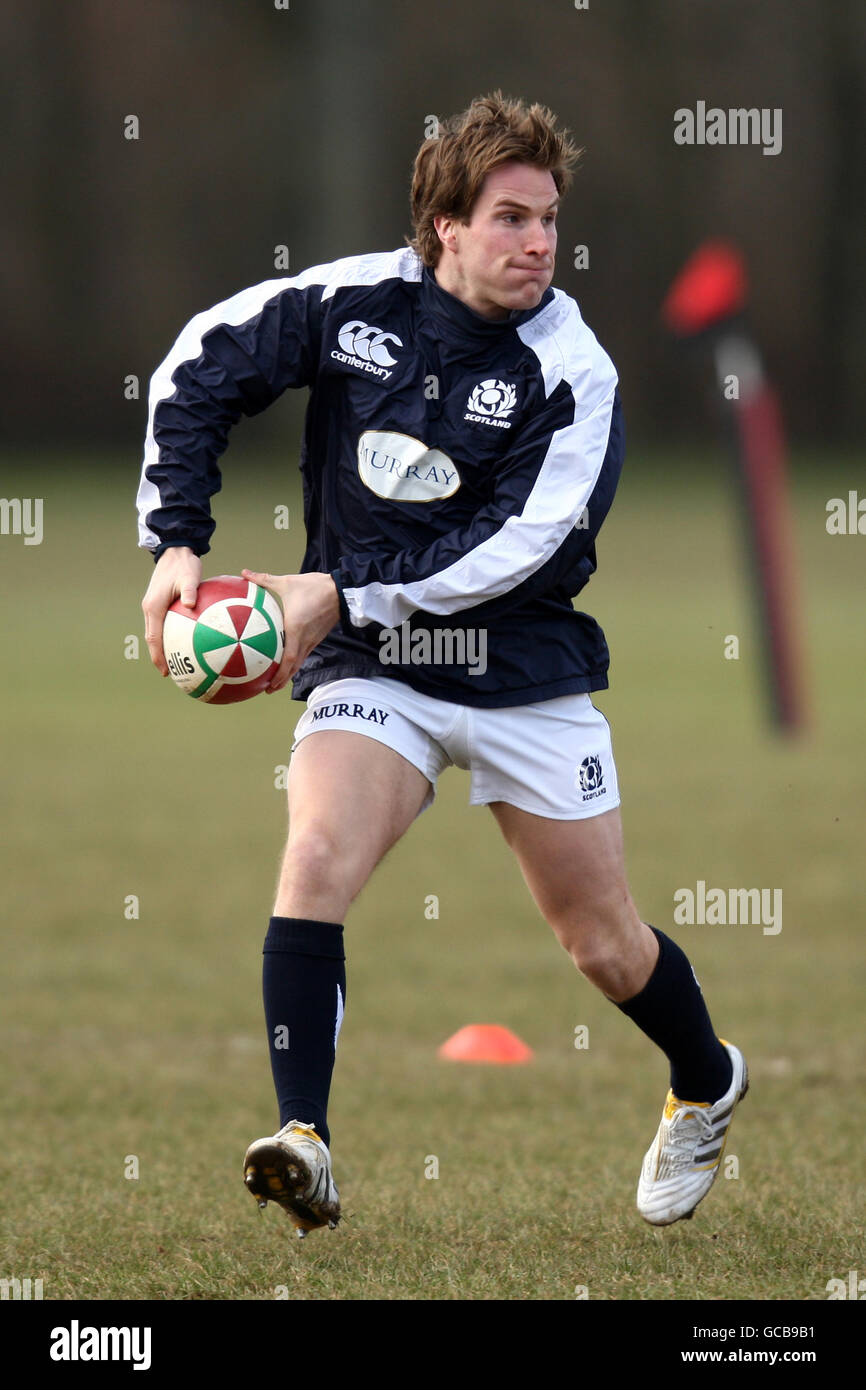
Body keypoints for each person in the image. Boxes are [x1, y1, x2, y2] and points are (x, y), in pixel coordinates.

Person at [138, 92, 747, 1239]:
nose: (535, 244)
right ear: (443, 229)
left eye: (548, 220)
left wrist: (337, 590)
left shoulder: (572, 371)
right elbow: (199, 366)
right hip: (376, 664)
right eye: (509, 218)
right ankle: (303, 1140)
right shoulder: (350, 302)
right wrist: (177, 537)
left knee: (601, 942)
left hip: (520, 666)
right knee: (313, 853)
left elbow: (523, 545)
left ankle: (706, 1078)